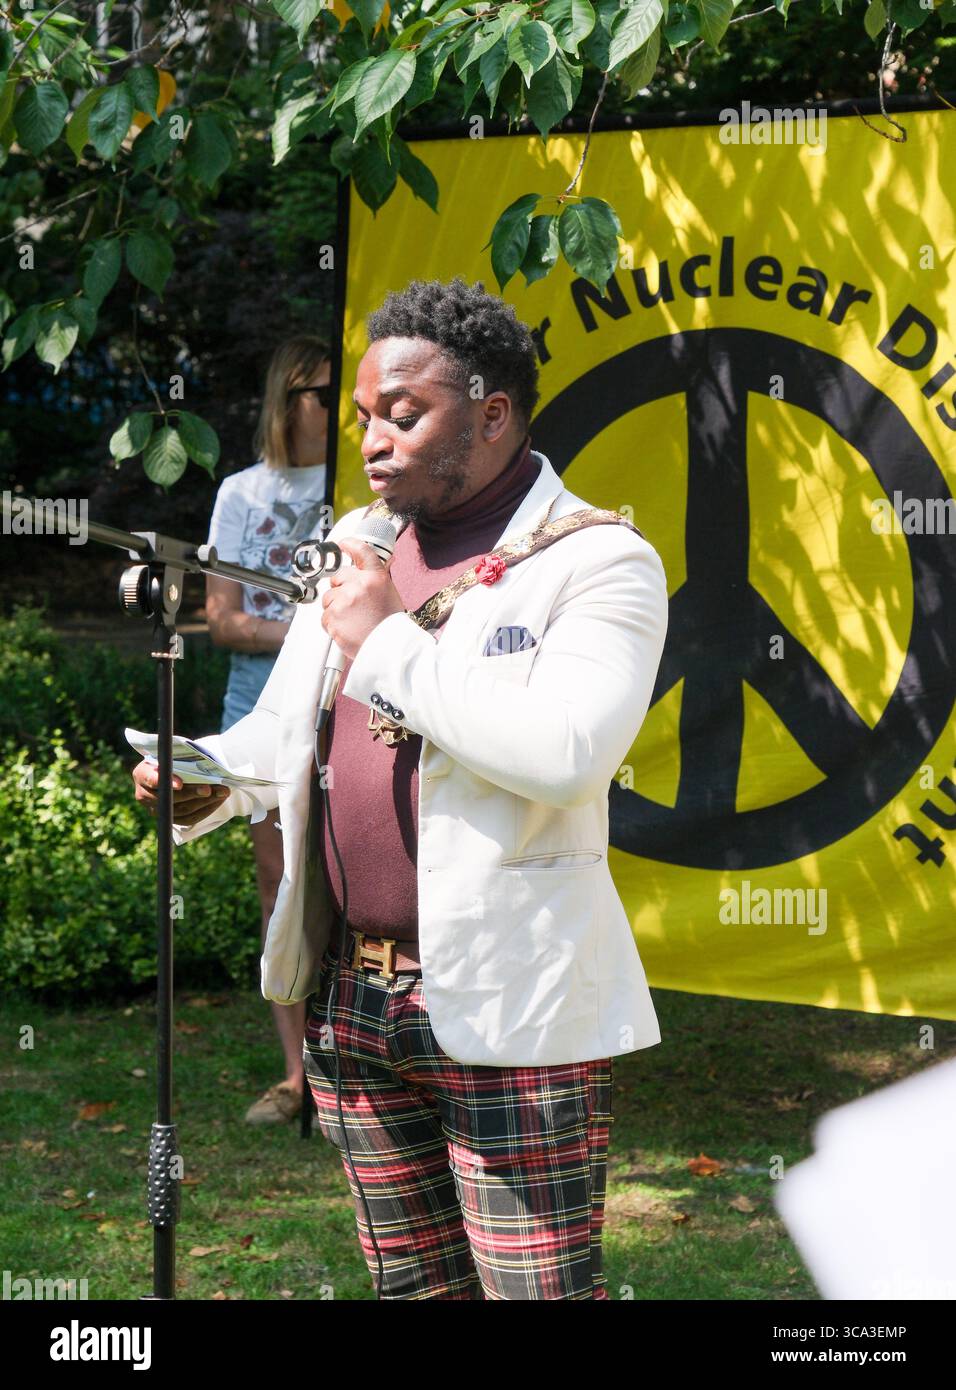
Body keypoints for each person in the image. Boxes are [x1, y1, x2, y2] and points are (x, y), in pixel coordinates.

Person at [133, 277, 670, 1299]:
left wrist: (382, 636)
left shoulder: (598, 560)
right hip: (353, 997)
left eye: (405, 415)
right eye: (367, 417)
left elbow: (564, 750)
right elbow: (284, 732)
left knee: (535, 1292)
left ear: (491, 412)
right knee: (414, 1291)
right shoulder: (362, 545)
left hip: (509, 1000)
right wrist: (211, 778)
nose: (373, 440)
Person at [204, 336, 331, 1125]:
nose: (341, 410)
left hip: (343, 703)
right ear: (288, 401)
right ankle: (297, 1079)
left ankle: (352, 1070)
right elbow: (221, 621)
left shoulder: (362, 486)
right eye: (323, 394)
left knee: (347, 885)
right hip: (258, 705)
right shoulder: (241, 492)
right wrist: (318, 630)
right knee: (279, 885)